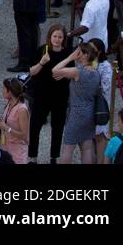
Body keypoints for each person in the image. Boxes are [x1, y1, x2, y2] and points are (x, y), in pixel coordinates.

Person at [26, 23, 71, 163]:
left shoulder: (67, 54)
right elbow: (32, 72)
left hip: (60, 96)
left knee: (57, 127)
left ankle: (54, 156)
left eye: (60, 37)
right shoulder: (42, 51)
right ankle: (32, 156)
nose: (57, 39)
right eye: (55, 36)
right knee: (35, 126)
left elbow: (72, 74)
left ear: (64, 39)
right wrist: (41, 63)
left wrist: (63, 73)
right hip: (41, 95)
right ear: (50, 37)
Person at [54, 42, 101, 164]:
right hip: (90, 112)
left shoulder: (77, 71)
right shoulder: (96, 72)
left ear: (85, 55)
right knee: (87, 147)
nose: (76, 54)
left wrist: (70, 58)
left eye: (78, 52)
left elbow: (55, 70)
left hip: (76, 113)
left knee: (68, 148)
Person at [0, 77, 29, 163]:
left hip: (17, 153)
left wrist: (6, 128)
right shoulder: (9, 102)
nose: (2, 90)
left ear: (10, 92)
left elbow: (24, 135)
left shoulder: (22, 110)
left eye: (4, 88)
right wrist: (0, 121)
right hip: (5, 147)